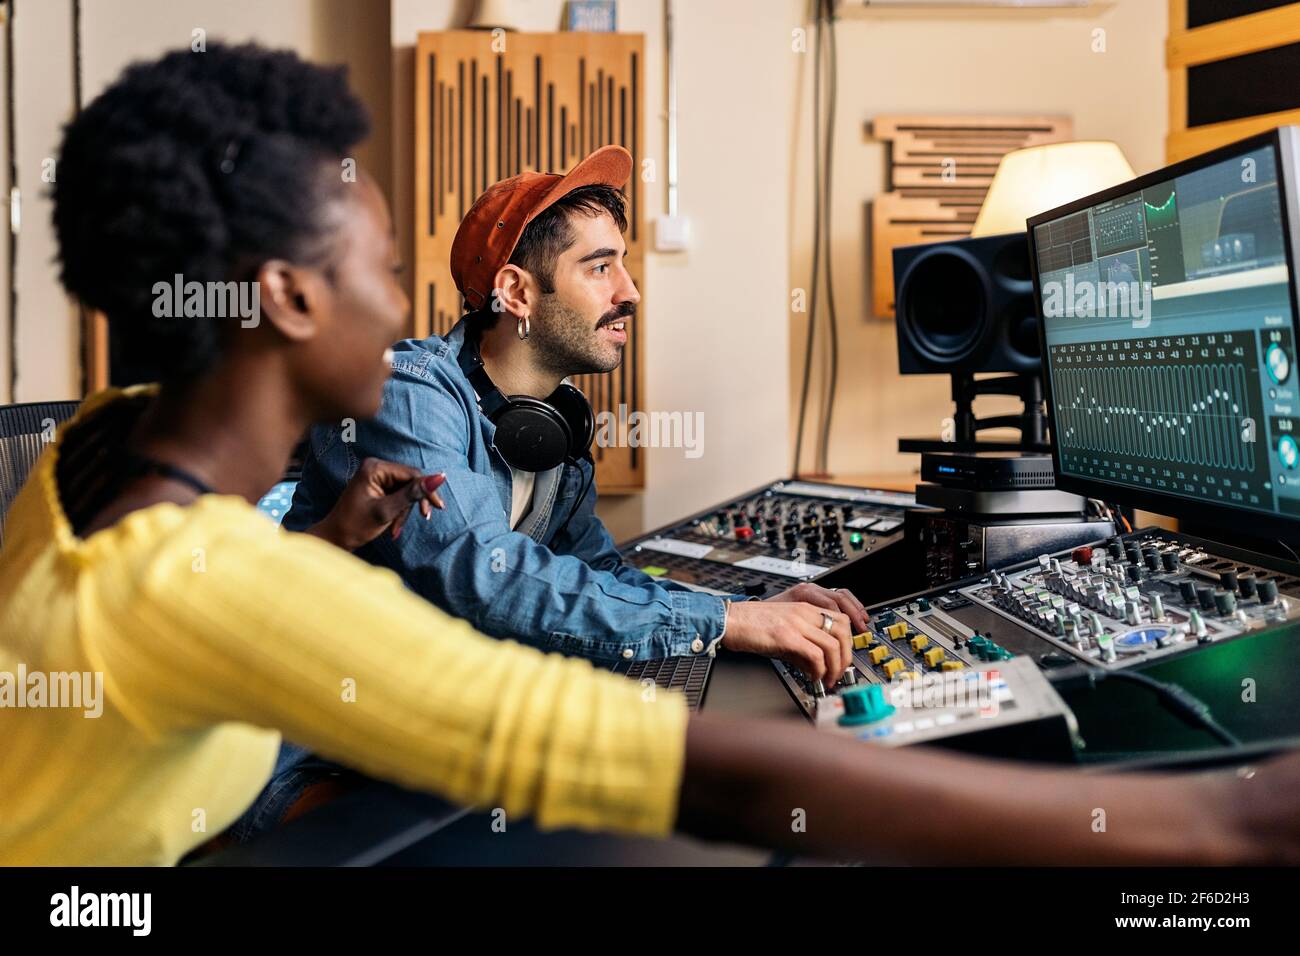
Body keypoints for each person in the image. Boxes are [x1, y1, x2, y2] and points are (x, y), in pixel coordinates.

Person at [1, 42, 1295, 867]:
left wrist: (328, 543)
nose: (391, 307)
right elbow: (583, 731)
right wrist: (1215, 824)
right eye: (372, 271)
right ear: (288, 298)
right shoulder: (219, 562)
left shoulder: (102, 458)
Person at [283, 146, 866, 683]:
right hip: (321, 752)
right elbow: (487, 576)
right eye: (599, 267)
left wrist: (737, 612)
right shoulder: (411, 394)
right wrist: (725, 624)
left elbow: (597, 571)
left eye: (624, 266)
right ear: (516, 294)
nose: (630, 291)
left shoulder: (554, 422)